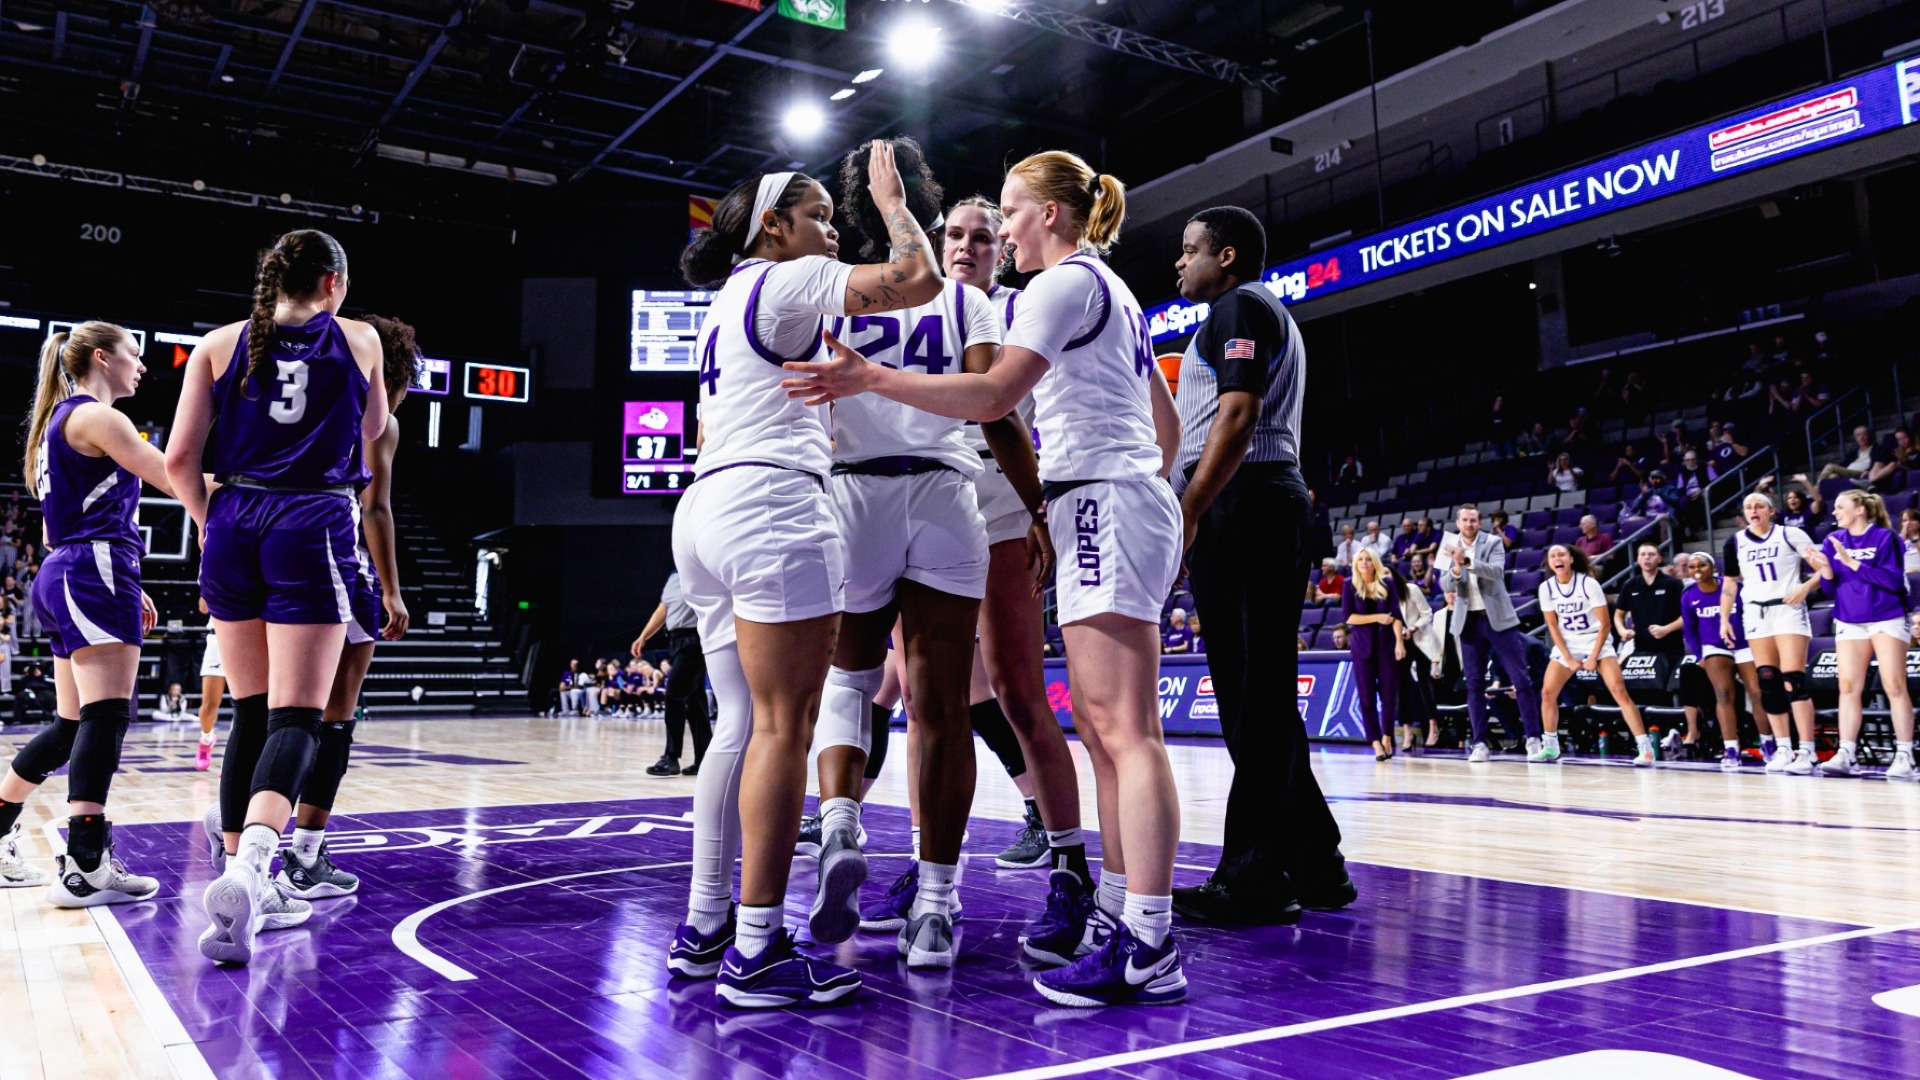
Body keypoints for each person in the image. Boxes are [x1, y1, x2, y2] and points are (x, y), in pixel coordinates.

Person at [786, 151, 1192, 1007]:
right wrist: (1146, 490)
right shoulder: (1103, 287)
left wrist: (868, 378)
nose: (999, 232)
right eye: (979, 224)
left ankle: (1144, 937)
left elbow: (994, 397)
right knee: (1096, 723)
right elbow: (1162, 421)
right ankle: (1118, 915)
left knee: (1116, 728)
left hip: (1080, 503)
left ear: (1048, 213)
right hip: (1100, 498)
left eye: (1006, 213)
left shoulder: (1054, 289)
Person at [664, 147, 942, 1009]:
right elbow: (918, 278)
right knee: (787, 727)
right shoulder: (786, 281)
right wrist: (894, 205)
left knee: (738, 728)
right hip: (774, 507)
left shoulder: (723, 302)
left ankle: (708, 927)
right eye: (820, 214)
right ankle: (758, 950)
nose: (832, 228)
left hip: (705, 510)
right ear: (773, 227)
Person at [787, 137, 1012, 969]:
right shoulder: (966, 304)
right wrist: (1037, 508)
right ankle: (936, 908)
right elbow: (996, 410)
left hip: (855, 496)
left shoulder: (836, 293)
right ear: (928, 206)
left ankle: (841, 824)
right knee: (943, 707)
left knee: (846, 685)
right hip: (950, 498)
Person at [167, 228, 390, 965]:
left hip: (233, 517)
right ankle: (250, 871)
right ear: (332, 281)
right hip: (311, 518)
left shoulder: (217, 344)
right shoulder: (359, 341)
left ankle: (240, 871)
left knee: (249, 712)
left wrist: (209, 521)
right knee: (299, 716)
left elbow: (178, 460)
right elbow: (373, 437)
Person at [1161, 204, 1353, 926]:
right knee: (1257, 697)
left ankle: (1253, 877)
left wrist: (1189, 507)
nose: (1179, 263)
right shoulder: (1248, 310)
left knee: (1254, 698)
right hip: (1255, 503)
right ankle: (1316, 864)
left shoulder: (1240, 305)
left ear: (1228, 256)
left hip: (1248, 504)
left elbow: (1237, 417)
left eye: (1189, 250)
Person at [931, 192, 1086, 878]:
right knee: (921, 689)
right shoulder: (913, 307)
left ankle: (1060, 843)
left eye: (982, 238)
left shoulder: (1029, 307)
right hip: (927, 507)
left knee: (1015, 688)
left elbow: (1014, 408)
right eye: (955, 236)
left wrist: (1039, 506)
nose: (966, 247)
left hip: (1001, 503)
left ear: (1002, 249)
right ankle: (885, 838)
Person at [0, 323, 167, 903]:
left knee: (73, 724)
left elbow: (52, 530)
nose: (142, 365)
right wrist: (251, 494)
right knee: (105, 716)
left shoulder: (56, 423)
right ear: (103, 356)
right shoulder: (99, 416)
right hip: (93, 567)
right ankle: (88, 863)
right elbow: (171, 474)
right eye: (135, 354)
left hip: (68, 569)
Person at [270, 312, 417, 904]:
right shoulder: (375, 415)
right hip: (332, 550)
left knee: (273, 709)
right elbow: (376, 508)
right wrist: (391, 589)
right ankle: (304, 852)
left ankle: (239, 822)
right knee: (333, 716)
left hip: (260, 543)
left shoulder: (292, 395)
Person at [1806, 491, 1915, 778]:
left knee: (1894, 686)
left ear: (1860, 510)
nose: (1835, 512)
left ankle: (1905, 755)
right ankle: (1847, 753)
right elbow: (1830, 590)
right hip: (1850, 618)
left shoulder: (1885, 537)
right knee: (1848, 687)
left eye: (1840, 507)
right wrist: (1826, 568)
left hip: (1887, 615)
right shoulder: (1833, 541)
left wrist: (1853, 563)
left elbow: (1893, 580)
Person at [1721, 493, 1820, 775]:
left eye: (1759, 506)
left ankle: (1808, 750)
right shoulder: (1735, 542)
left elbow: (1824, 568)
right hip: (1754, 612)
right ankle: (1784, 747)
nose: (1754, 510)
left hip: (1787, 609)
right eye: (1749, 507)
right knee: (1768, 681)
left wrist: (1804, 588)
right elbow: (1729, 583)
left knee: (1793, 681)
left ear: (1771, 511)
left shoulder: (1791, 534)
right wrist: (1724, 618)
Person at [1533, 545, 1655, 765]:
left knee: (1619, 691)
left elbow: (1605, 624)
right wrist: (1568, 658)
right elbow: (1552, 626)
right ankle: (1550, 746)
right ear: (1548, 562)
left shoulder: (1588, 583)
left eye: (1561, 554)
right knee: (1548, 692)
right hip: (1568, 640)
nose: (1557, 558)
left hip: (1595, 638)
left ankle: (1645, 748)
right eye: (1552, 556)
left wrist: (1593, 657)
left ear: (1571, 559)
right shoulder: (1546, 588)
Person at [1441, 505, 1544, 762]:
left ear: (1479, 521)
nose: (1469, 523)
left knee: (1521, 679)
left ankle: (1533, 737)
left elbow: (1496, 573)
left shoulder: (1493, 542)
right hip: (1469, 621)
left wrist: (1465, 561)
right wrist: (1455, 570)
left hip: (1497, 618)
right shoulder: (1449, 545)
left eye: (1473, 520)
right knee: (1474, 684)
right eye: (1464, 519)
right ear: (1458, 522)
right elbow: (1444, 583)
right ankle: (1480, 743)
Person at [1678, 554, 1763, 771]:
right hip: (1714, 646)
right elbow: (1690, 628)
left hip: (1745, 643)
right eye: (1692, 566)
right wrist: (1700, 655)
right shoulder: (1689, 595)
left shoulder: (1734, 587)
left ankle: (1768, 743)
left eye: (1702, 565)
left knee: (1757, 692)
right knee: (1724, 694)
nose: (1697, 569)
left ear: (1713, 567)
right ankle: (1731, 748)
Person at [632, 571, 712, 777]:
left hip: (695, 640)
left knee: (674, 694)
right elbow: (663, 609)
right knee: (696, 702)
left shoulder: (707, 571)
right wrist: (644, 636)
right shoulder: (672, 578)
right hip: (675, 640)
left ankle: (671, 757)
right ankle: (705, 760)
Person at [1343, 549, 1403, 761]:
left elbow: (1396, 615)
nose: (1365, 562)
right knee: (1366, 698)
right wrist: (1377, 617)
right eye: (1360, 559)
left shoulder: (1388, 583)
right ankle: (1375, 742)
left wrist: (1399, 642)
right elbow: (1349, 617)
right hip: (1362, 649)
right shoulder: (1349, 585)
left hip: (1386, 646)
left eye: (1368, 559)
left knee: (1388, 696)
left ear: (1375, 562)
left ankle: (1387, 736)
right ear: (1355, 563)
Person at [1395, 573, 1444, 752]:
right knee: (1401, 686)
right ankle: (1407, 731)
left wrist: (1413, 627)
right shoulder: (1383, 595)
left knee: (1424, 682)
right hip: (1399, 642)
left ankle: (1433, 725)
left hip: (1420, 638)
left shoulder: (1412, 590)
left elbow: (1427, 614)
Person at [196, 610, 224, 771]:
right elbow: (203, 607)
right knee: (209, 704)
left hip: (248, 636)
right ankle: (206, 740)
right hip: (217, 639)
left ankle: (232, 757)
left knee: (245, 704)